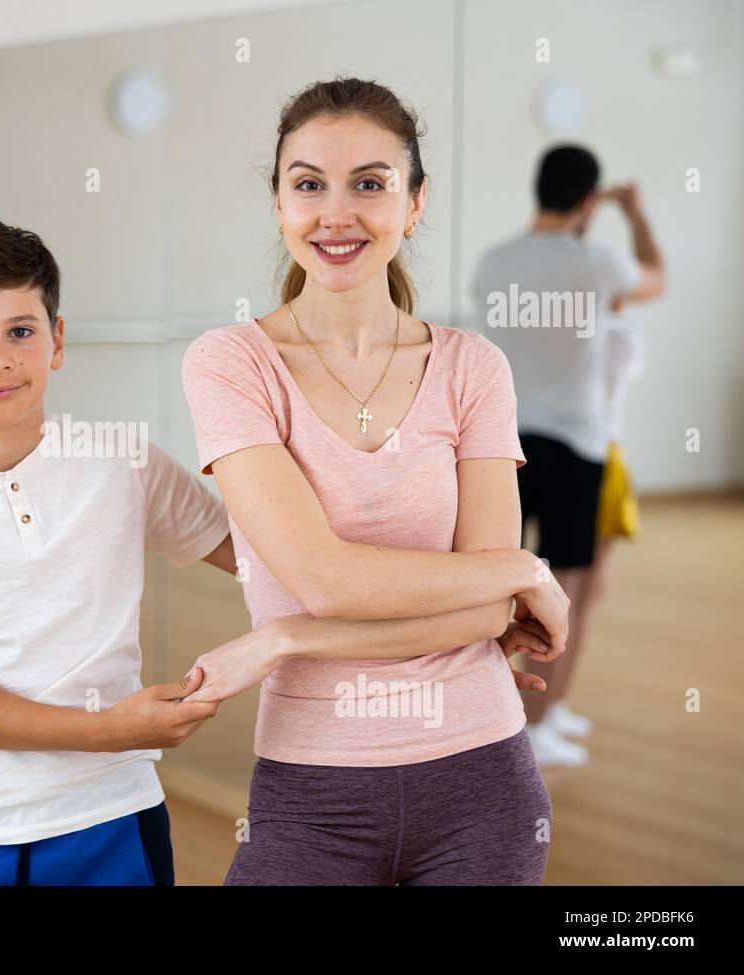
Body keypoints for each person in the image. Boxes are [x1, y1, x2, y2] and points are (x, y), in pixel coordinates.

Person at [179, 77, 571, 885]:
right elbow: (323, 578)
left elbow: (486, 603)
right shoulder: (231, 363)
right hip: (307, 789)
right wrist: (523, 572)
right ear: (279, 201)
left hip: (483, 780)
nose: (336, 213)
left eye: (370, 183)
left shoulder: (473, 367)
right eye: (309, 184)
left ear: (415, 202)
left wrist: (284, 637)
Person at [0, 216, 236, 885]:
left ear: (56, 341)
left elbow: (260, 555)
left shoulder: (123, 459)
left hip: (112, 823)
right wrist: (112, 729)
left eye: (19, 332)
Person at [471, 148, 664, 765]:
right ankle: (540, 724)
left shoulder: (494, 262)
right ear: (589, 200)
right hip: (576, 445)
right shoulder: (598, 262)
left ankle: (504, 713)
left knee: (496, 583)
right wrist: (633, 215)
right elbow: (656, 278)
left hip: (505, 445)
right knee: (570, 586)